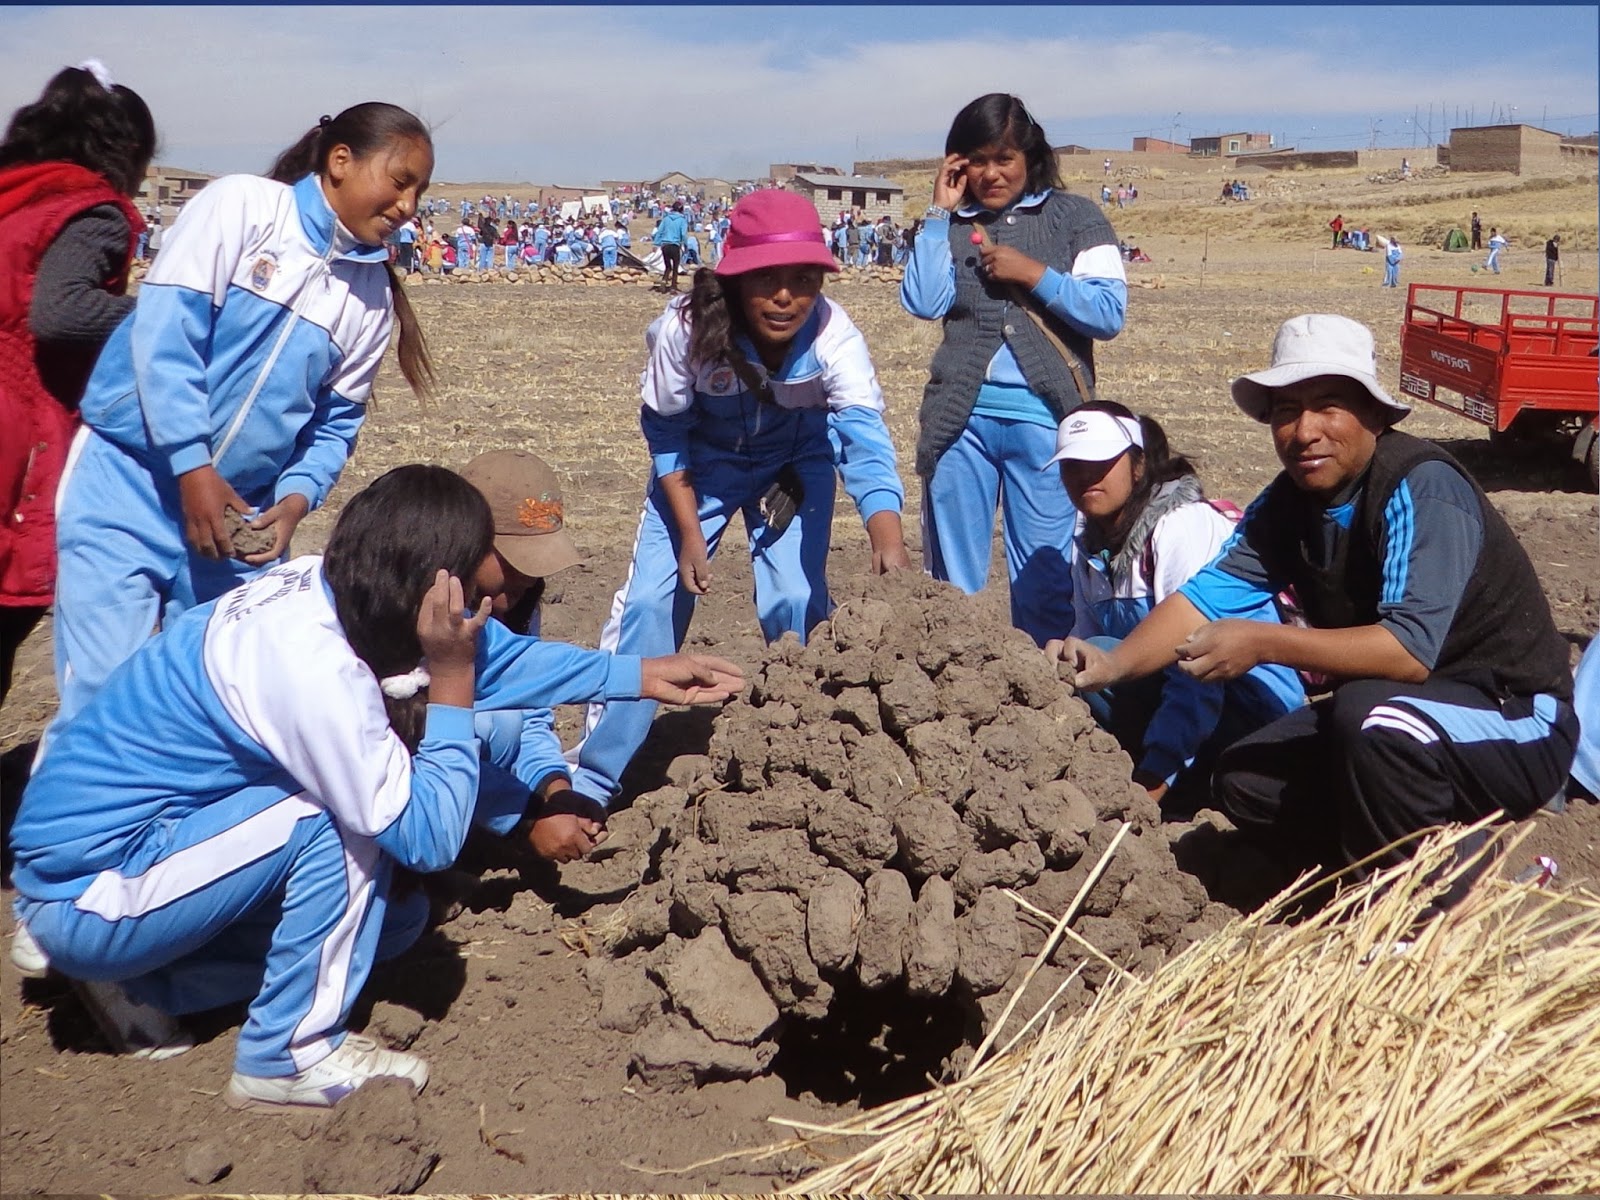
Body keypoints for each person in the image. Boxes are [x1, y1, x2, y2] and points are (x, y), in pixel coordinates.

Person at [7, 465, 743, 1106]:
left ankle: (147, 984)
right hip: (90, 892)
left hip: (147, 858)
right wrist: (450, 683)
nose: (484, 604)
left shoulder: (335, 587)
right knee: (337, 822)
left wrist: (639, 674)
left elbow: (498, 658)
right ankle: (286, 1057)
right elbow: (428, 837)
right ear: (428, 583)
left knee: (389, 925)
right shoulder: (311, 668)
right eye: (470, 589)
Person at [1055, 314, 1577, 912]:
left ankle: (1430, 912)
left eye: (1328, 406)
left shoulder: (1420, 486)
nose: (1305, 431)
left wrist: (1264, 642)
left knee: (1371, 717)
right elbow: (1202, 601)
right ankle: (1380, 873)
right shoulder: (1287, 504)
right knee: (1244, 778)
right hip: (1402, 715)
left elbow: (1408, 651)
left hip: (1514, 716)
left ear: (1374, 415)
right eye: (1286, 411)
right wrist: (1114, 663)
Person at [46, 102, 435, 732]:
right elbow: (165, 340)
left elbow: (334, 424)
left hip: (236, 515)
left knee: (218, 699)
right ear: (340, 161)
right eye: (400, 181)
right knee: (101, 692)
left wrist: (295, 500)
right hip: (129, 479)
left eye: (420, 191)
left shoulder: (370, 300)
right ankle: (73, 796)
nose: (408, 205)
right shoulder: (243, 208)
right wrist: (192, 466)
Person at [566, 189, 912, 808]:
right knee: (649, 603)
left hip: (793, 465)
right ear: (734, 277)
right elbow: (666, 434)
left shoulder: (833, 335)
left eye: (803, 280)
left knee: (796, 599)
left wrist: (886, 531)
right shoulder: (684, 330)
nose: (785, 297)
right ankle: (595, 778)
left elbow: (862, 437)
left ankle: (810, 745)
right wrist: (690, 534)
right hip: (699, 470)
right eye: (765, 279)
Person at [902, 92, 1127, 646]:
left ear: (1031, 157)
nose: (990, 174)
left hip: (1048, 425)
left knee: (1045, 583)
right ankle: (956, 680)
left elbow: (1108, 312)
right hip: (960, 424)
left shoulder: (1076, 218)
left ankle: (1041, 689)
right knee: (953, 588)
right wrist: (938, 213)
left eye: (1004, 159)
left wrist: (1033, 274)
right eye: (976, 160)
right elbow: (923, 302)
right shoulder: (949, 226)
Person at [1043, 403, 1304, 814]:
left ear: (1138, 466)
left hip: (1253, 708)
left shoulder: (1180, 528)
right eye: (1072, 465)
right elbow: (1093, 655)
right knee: (1082, 657)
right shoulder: (1088, 545)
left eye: (1101, 462)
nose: (1085, 476)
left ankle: (1180, 784)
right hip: (1170, 698)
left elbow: (1198, 671)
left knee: (1106, 650)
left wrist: (1153, 781)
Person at [0, 61, 156, 708]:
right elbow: (61, 311)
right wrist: (165, 315)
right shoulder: (90, 211)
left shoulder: (14, 198)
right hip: (18, 428)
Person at [652, 200, 688, 292]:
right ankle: (673, 286)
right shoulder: (682, 220)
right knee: (675, 267)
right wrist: (685, 244)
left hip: (665, 245)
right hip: (675, 245)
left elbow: (660, 232)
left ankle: (663, 282)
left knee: (668, 266)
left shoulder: (666, 219)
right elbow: (683, 234)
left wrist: (656, 244)